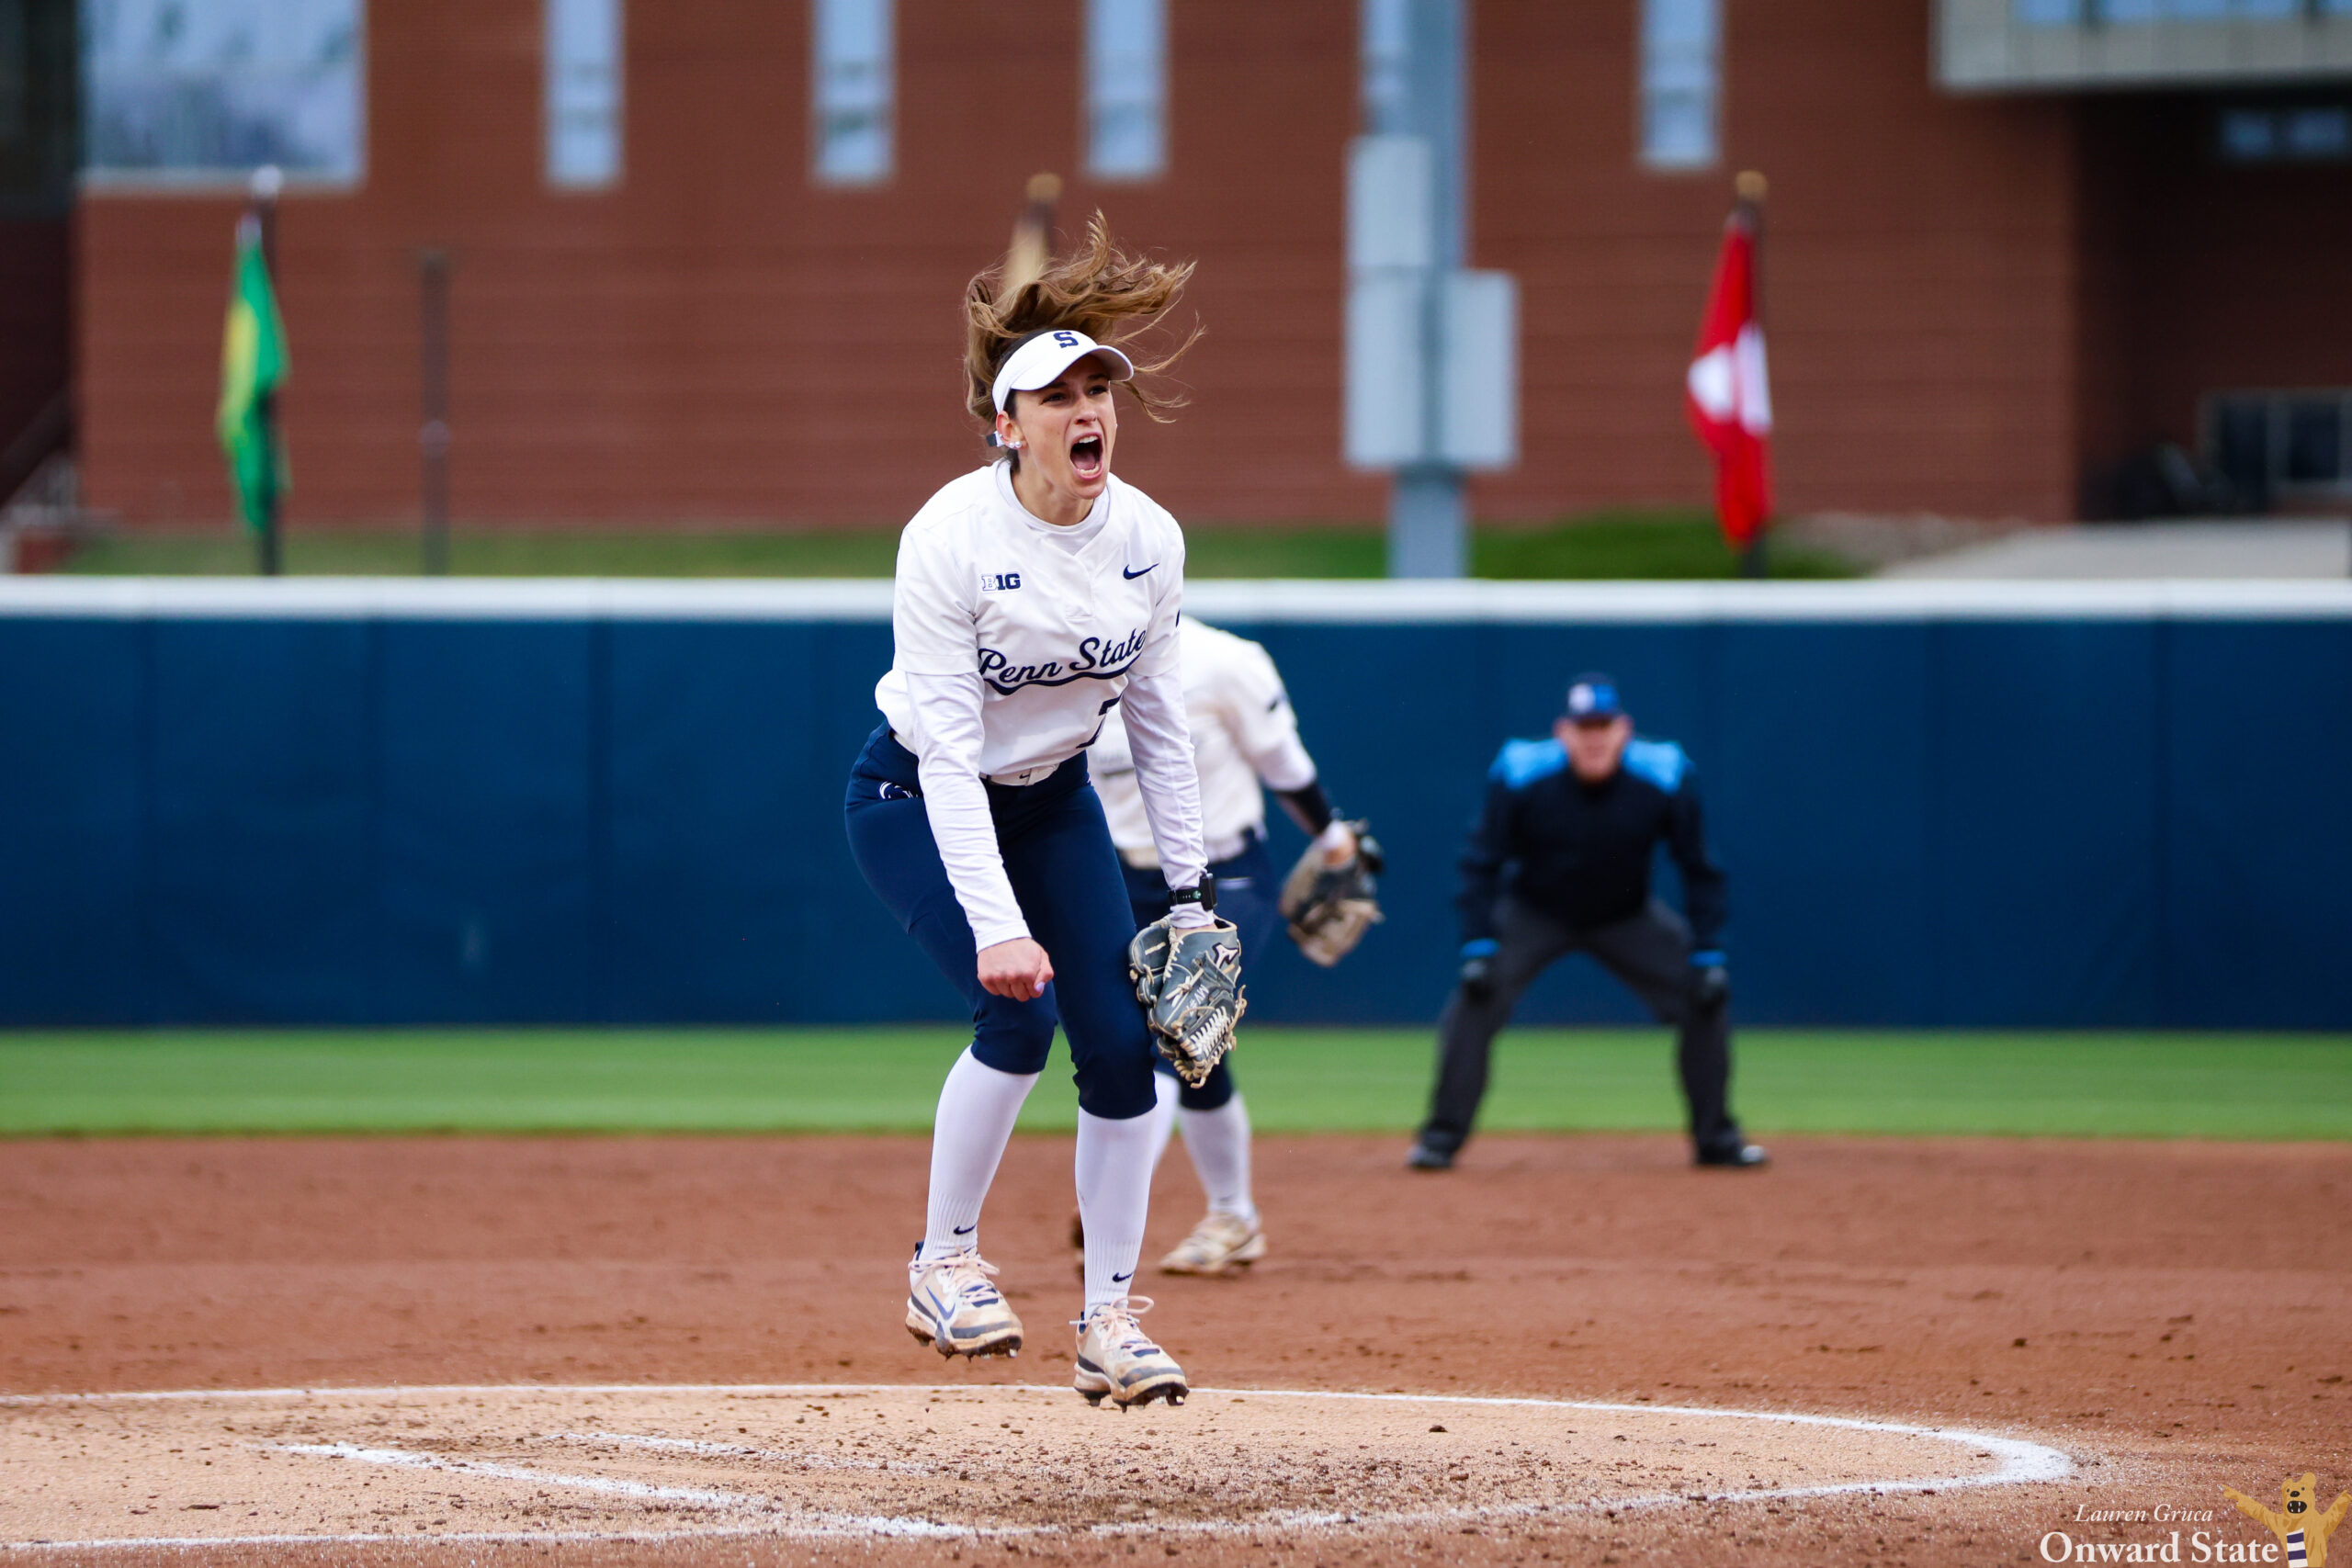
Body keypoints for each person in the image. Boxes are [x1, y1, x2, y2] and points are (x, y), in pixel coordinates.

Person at [842, 219, 1217, 1409]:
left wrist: (1195, 898)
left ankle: (1109, 1318)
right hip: (914, 794)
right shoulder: (948, 536)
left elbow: (1159, 725)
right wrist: (1001, 928)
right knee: (1021, 1011)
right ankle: (942, 1261)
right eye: (1054, 393)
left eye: (1097, 385)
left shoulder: (1148, 540)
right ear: (1008, 425)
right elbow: (950, 755)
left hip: (1053, 803)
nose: (1084, 406)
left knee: (1125, 1048)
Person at [1088, 616, 1374, 1276]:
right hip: (1121, 877)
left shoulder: (1225, 661)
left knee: (1179, 1028)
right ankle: (1235, 1216)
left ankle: (1113, 1207)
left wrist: (1331, 838)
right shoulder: (1067, 661)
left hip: (1225, 876)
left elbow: (1284, 763)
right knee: (1179, 1051)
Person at [1407, 673, 1766, 1172]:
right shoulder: (1521, 773)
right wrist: (1478, 945)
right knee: (1475, 1000)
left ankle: (1717, 1140)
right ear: (1563, 732)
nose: (1594, 738)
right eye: (1583, 727)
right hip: (1536, 912)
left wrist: (1708, 953)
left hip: (1627, 916)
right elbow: (1479, 862)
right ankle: (1440, 1139)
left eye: (1603, 725)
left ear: (1625, 730)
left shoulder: (1663, 774)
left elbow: (1701, 868)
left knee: (1704, 996)